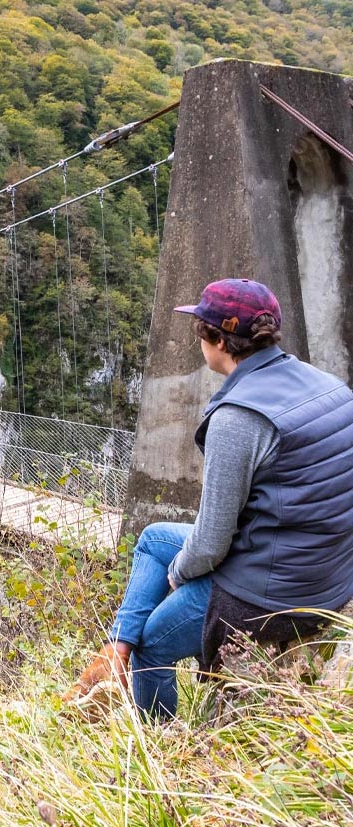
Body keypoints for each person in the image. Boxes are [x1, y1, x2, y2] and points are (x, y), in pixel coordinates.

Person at [63, 278, 353, 721]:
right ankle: (111, 655)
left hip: (273, 591)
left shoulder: (239, 418)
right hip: (326, 570)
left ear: (217, 341)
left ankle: (155, 734)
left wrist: (179, 576)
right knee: (154, 537)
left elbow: (213, 542)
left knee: (154, 641)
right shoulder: (330, 386)